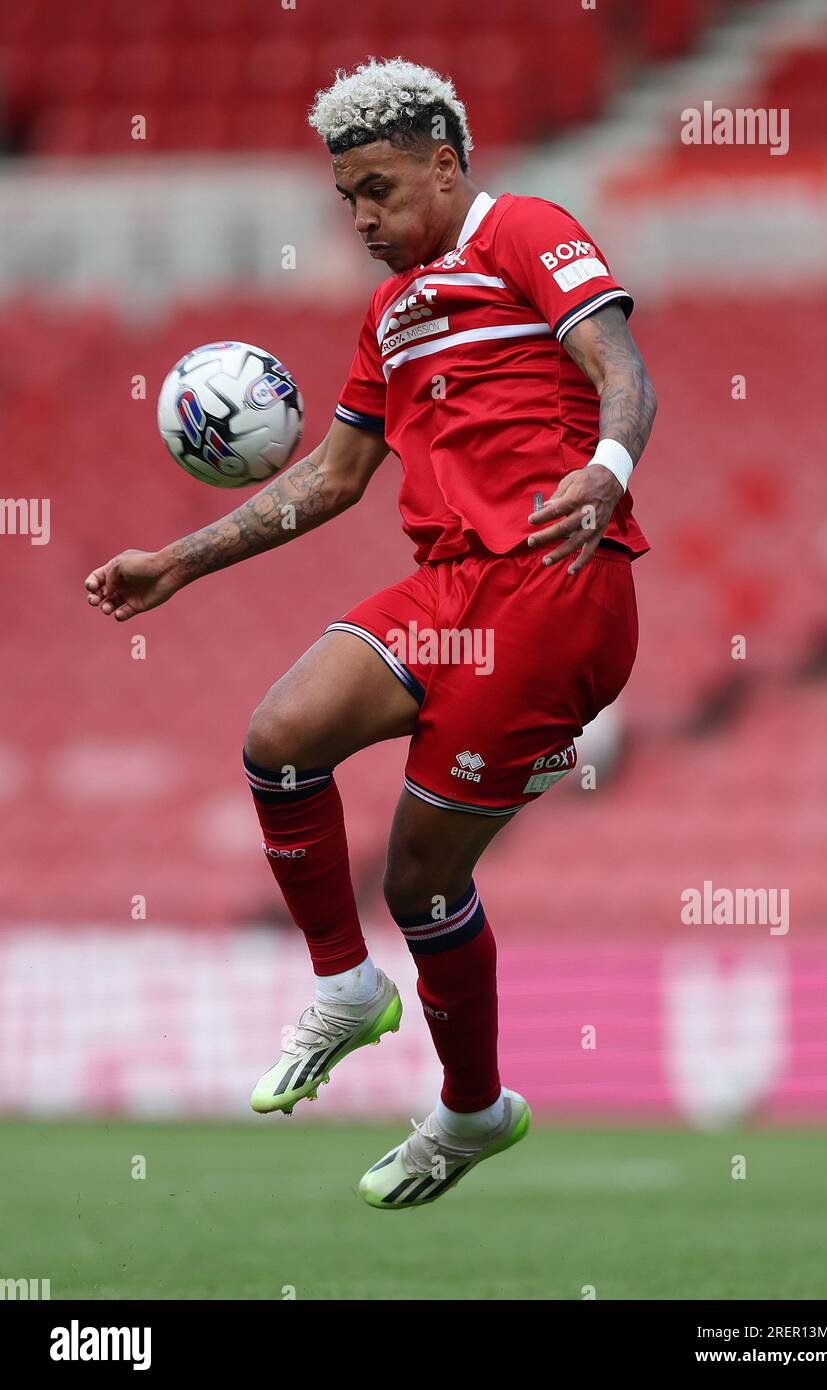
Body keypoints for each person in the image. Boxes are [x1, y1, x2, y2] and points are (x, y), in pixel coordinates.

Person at [85, 58, 657, 1210]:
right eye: (349, 198)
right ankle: (346, 989)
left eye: (381, 189)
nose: (362, 217)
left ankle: (471, 1109)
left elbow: (621, 368)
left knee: (417, 878)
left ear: (446, 166)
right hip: (445, 588)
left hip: (552, 586)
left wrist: (606, 466)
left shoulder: (524, 230)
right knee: (279, 737)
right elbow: (335, 478)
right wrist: (180, 561)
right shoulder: (387, 320)